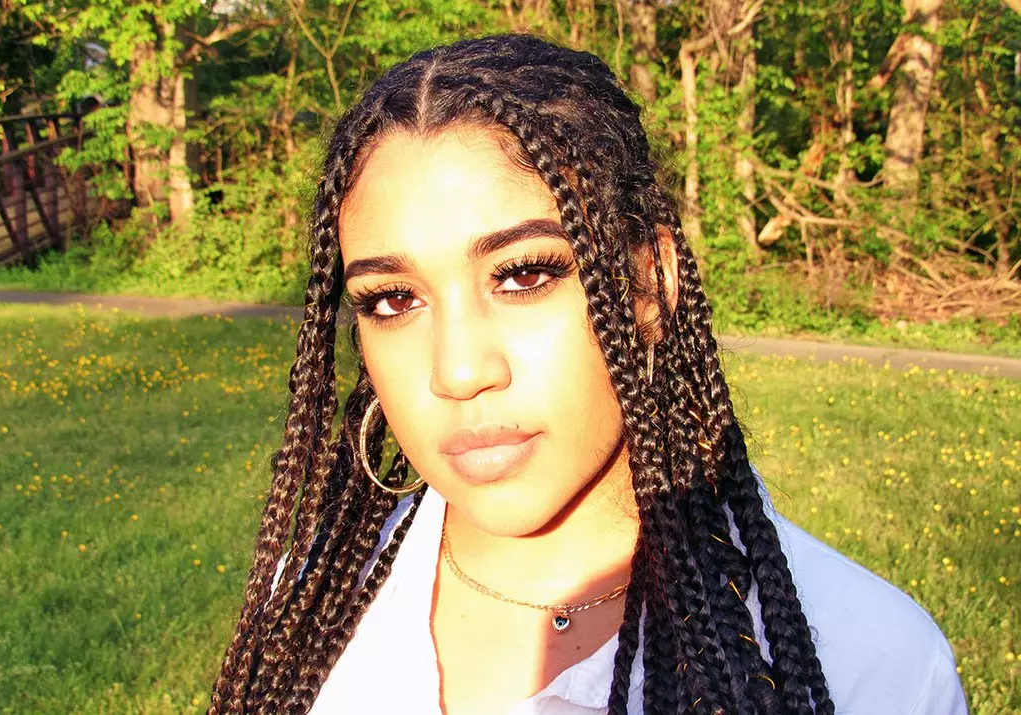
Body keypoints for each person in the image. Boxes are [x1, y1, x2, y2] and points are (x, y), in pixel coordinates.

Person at [209, 35, 966, 715]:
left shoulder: (872, 662)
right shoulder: (308, 610)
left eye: (523, 275)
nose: (459, 369)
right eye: (393, 298)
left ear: (649, 284)